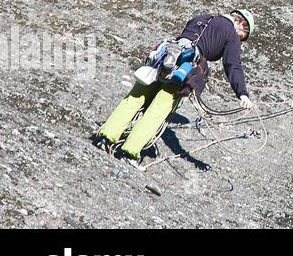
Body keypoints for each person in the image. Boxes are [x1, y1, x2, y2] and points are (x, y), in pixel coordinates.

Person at [94, 9, 256, 160]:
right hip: (185, 67)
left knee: (136, 96)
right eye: (242, 36)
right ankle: (130, 150)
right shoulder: (231, 34)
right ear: (242, 24)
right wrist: (242, 93)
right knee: (159, 108)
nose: (239, 38)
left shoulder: (201, 17)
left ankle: (105, 136)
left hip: (164, 56)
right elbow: (232, 64)